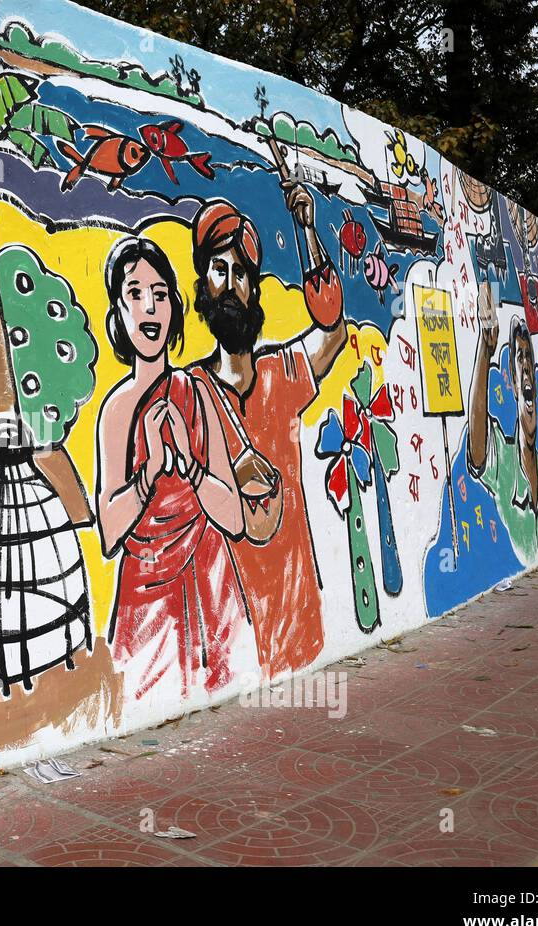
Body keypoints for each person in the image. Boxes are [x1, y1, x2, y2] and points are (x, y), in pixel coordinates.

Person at [187, 193, 346, 678]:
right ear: (204, 284)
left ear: (254, 291)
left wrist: (308, 231)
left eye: (242, 274)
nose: (231, 284)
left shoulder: (282, 372)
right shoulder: (189, 392)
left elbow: (332, 330)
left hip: (299, 619)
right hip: (228, 636)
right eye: (220, 270)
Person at [93, 237, 247, 704]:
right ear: (118, 312)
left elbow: (235, 517)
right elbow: (108, 531)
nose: (149, 308)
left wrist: (193, 468)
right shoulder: (117, 412)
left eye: (160, 294)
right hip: (147, 597)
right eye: (135, 294)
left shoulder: (197, 393)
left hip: (212, 581)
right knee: (147, 694)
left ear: (175, 308)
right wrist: (151, 472)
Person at [466, 296, 538, 562]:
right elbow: (478, 446)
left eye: (529, 360)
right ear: (513, 381)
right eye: (519, 358)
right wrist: (485, 351)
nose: (525, 368)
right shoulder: (503, 463)